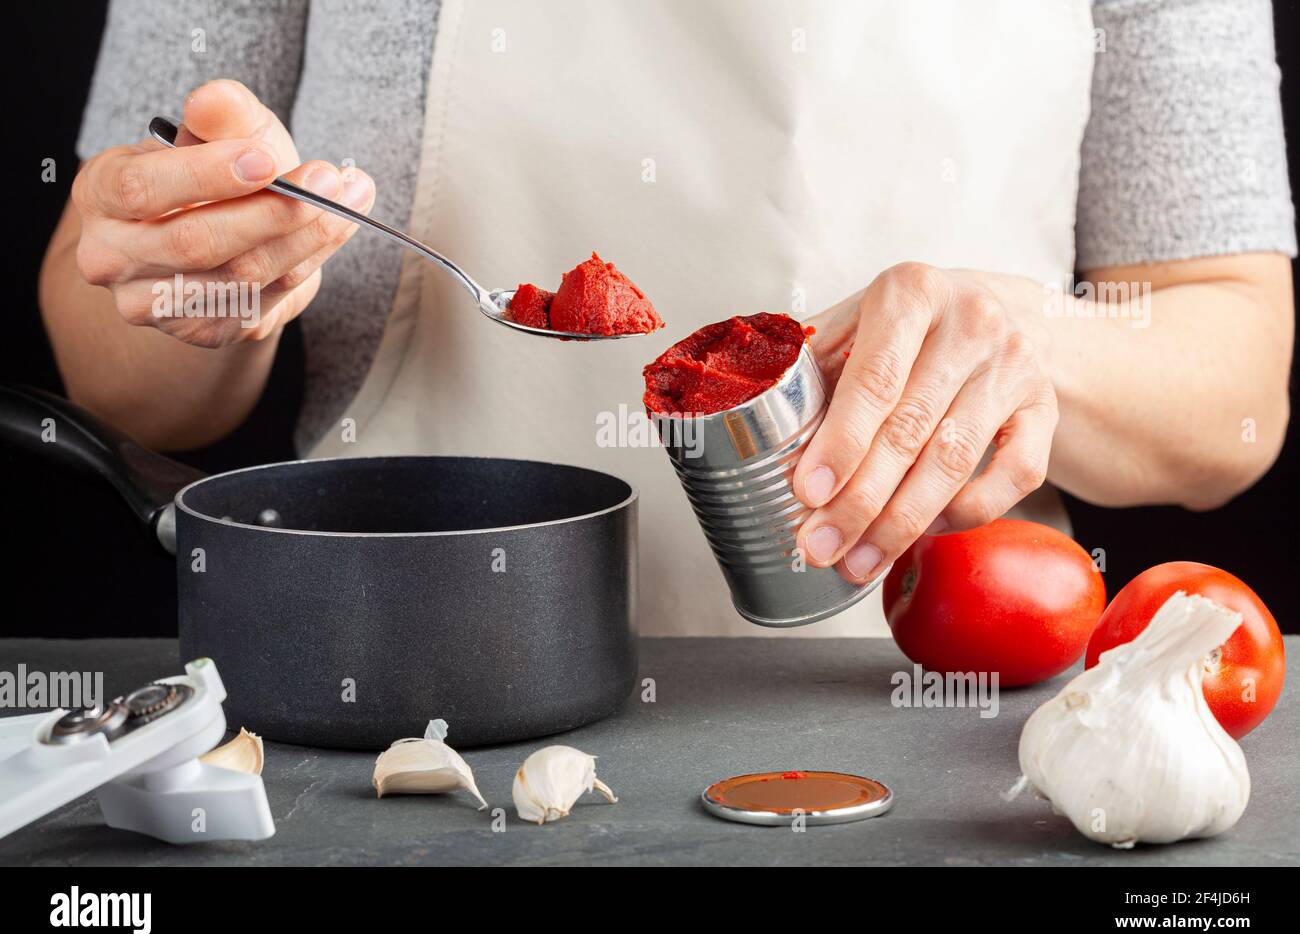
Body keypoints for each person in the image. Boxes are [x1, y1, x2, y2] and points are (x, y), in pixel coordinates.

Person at [41, 0, 1295, 636]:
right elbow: (122, 383)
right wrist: (205, 274)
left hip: (937, 733)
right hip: (396, 706)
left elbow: (1231, 387)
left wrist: (1039, 348)